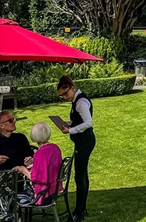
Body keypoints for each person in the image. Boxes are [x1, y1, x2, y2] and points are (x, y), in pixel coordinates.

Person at [57, 76, 95, 222]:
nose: (64, 97)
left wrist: (70, 130)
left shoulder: (80, 102)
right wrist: (69, 123)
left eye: (65, 93)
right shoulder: (76, 100)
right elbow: (79, 120)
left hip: (85, 141)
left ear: (72, 88)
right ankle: (82, 209)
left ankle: (79, 211)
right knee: (82, 174)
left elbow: (88, 123)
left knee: (80, 176)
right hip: (83, 141)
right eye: (61, 96)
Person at [13, 123, 63, 206]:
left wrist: (23, 170)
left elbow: (38, 179)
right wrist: (34, 162)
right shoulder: (55, 148)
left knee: (13, 195)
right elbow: (48, 166)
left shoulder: (40, 153)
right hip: (54, 191)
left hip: (43, 195)